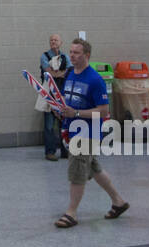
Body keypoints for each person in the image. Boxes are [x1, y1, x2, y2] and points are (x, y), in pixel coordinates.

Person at [53, 38, 129, 228]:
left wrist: (77, 113)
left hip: (87, 133)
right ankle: (118, 201)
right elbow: (68, 100)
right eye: (71, 52)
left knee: (77, 172)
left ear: (86, 55)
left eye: (76, 53)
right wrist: (62, 109)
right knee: (94, 168)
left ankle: (71, 213)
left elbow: (103, 111)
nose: (72, 56)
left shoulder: (95, 80)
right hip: (72, 129)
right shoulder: (70, 74)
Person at [38, 33, 70, 161]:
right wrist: (59, 73)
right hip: (48, 94)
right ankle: (50, 152)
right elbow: (49, 73)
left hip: (62, 94)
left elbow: (69, 72)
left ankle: (65, 151)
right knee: (49, 125)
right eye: (51, 40)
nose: (53, 41)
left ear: (61, 43)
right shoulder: (44, 56)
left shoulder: (65, 57)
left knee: (64, 123)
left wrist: (58, 73)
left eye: (56, 40)